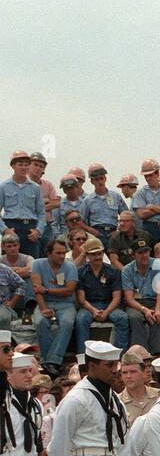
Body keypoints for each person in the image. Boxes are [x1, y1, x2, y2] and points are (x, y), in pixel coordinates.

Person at [32, 238, 80, 376]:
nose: (62, 256)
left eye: (64, 253)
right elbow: (37, 289)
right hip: (45, 302)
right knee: (41, 321)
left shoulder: (70, 266)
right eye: (58, 253)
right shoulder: (37, 264)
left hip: (66, 303)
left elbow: (69, 290)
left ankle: (51, 361)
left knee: (67, 323)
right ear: (49, 253)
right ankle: (50, 363)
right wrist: (43, 308)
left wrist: (46, 290)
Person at [74, 237, 129, 353]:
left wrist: (107, 312)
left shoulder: (113, 271)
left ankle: (119, 354)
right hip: (89, 305)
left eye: (99, 254)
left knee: (122, 318)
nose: (97, 257)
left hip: (110, 304)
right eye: (93, 254)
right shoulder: (80, 272)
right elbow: (81, 299)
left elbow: (117, 297)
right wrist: (93, 310)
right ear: (87, 255)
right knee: (80, 319)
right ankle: (83, 356)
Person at [119, 238, 160, 355]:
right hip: (136, 304)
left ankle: (156, 354)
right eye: (140, 253)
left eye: (146, 251)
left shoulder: (158, 265)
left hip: (154, 301)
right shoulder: (126, 270)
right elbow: (129, 299)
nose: (144, 255)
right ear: (133, 254)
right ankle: (140, 354)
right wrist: (144, 310)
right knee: (134, 317)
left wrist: (158, 309)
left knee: (157, 316)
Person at [2, 150, 47, 257]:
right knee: (8, 265)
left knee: (32, 265)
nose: (24, 167)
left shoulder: (35, 188)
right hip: (11, 227)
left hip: (30, 229)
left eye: (26, 165)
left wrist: (38, 231)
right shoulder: (3, 187)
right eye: (20, 164)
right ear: (13, 165)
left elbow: (41, 213)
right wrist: (5, 230)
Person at [132, 159, 160, 246]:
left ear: (157, 173)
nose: (148, 178)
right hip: (148, 228)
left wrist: (152, 207)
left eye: (150, 175)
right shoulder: (140, 193)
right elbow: (141, 214)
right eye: (146, 176)